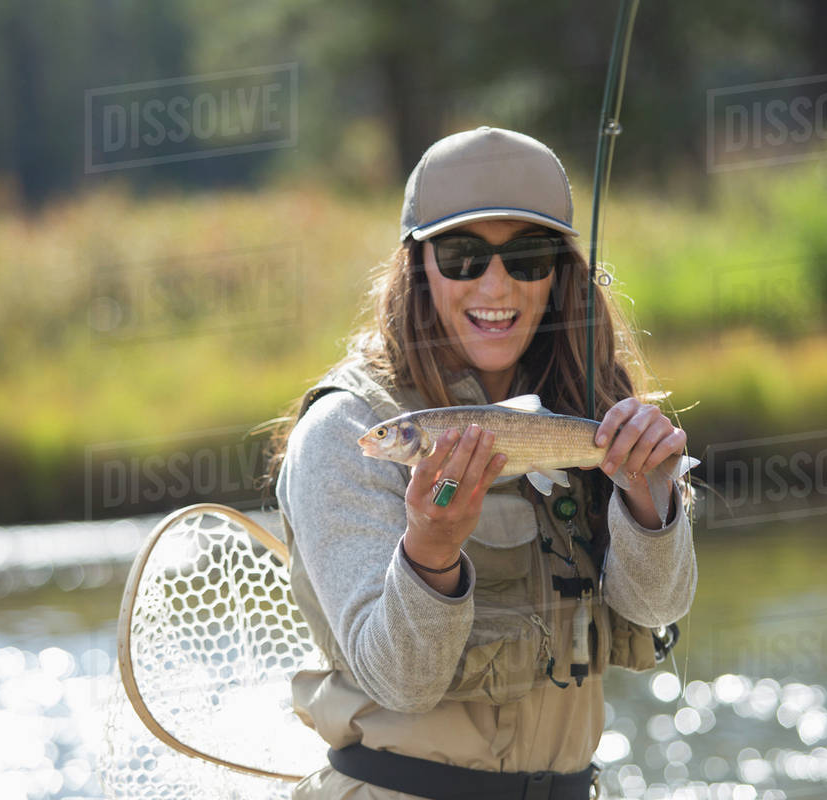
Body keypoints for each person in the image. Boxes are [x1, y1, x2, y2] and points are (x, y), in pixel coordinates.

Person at [270, 126, 696, 800]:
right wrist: (431, 554)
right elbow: (400, 682)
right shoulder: (341, 431)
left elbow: (655, 609)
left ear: (557, 275)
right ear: (419, 267)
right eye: (463, 256)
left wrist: (650, 502)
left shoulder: (586, 408)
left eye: (527, 256)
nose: (496, 284)